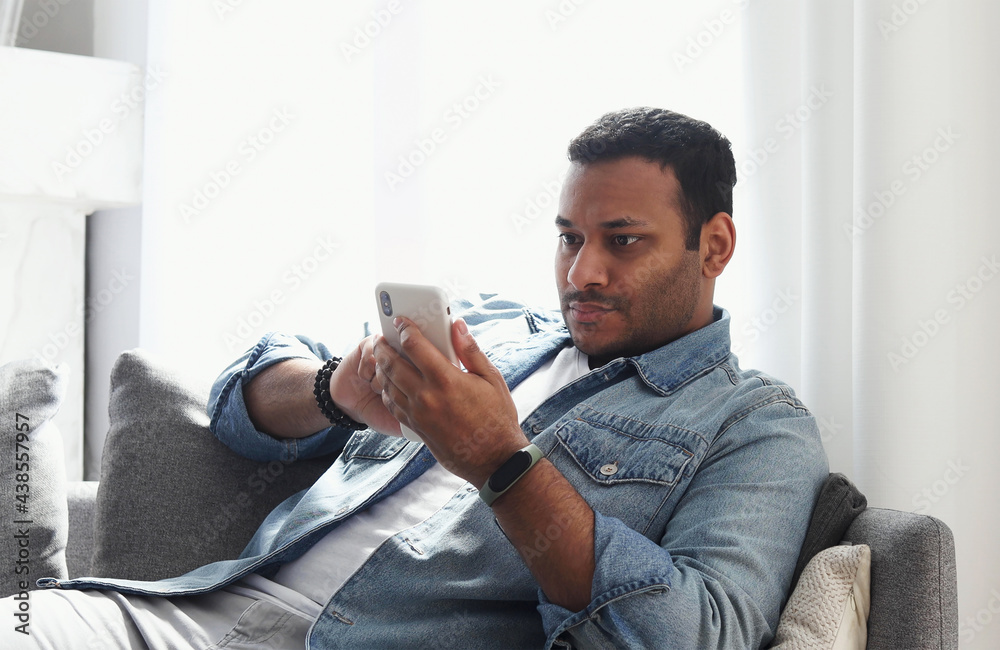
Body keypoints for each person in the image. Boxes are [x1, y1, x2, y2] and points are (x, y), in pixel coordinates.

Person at [6, 107, 828, 649]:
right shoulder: (490, 327)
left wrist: (503, 464)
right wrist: (334, 387)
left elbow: (694, 636)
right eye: (568, 236)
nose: (582, 272)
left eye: (623, 241)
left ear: (713, 246)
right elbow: (233, 406)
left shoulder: (753, 425)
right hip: (194, 615)